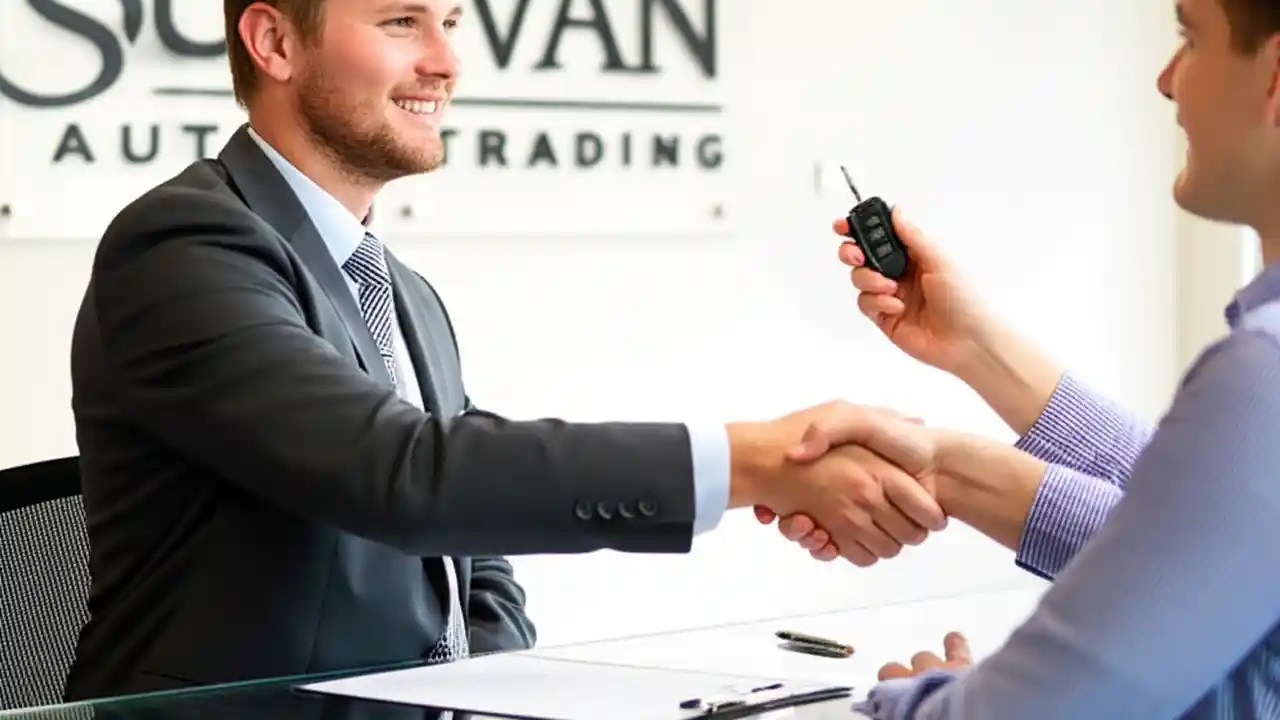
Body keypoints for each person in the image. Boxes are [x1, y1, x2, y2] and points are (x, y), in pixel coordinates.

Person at [61, 0, 948, 701]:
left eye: (451, 23)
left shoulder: (401, 292)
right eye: (402, 21)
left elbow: (475, 559)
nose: (446, 63)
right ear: (274, 41)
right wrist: (761, 461)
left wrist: (472, 689)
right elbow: (404, 475)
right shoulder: (183, 246)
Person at [766, 0, 1280, 716]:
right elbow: (1194, 526)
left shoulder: (1263, 377)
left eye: (1189, 39)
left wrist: (916, 698)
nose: (1165, 81)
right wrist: (961, 416)